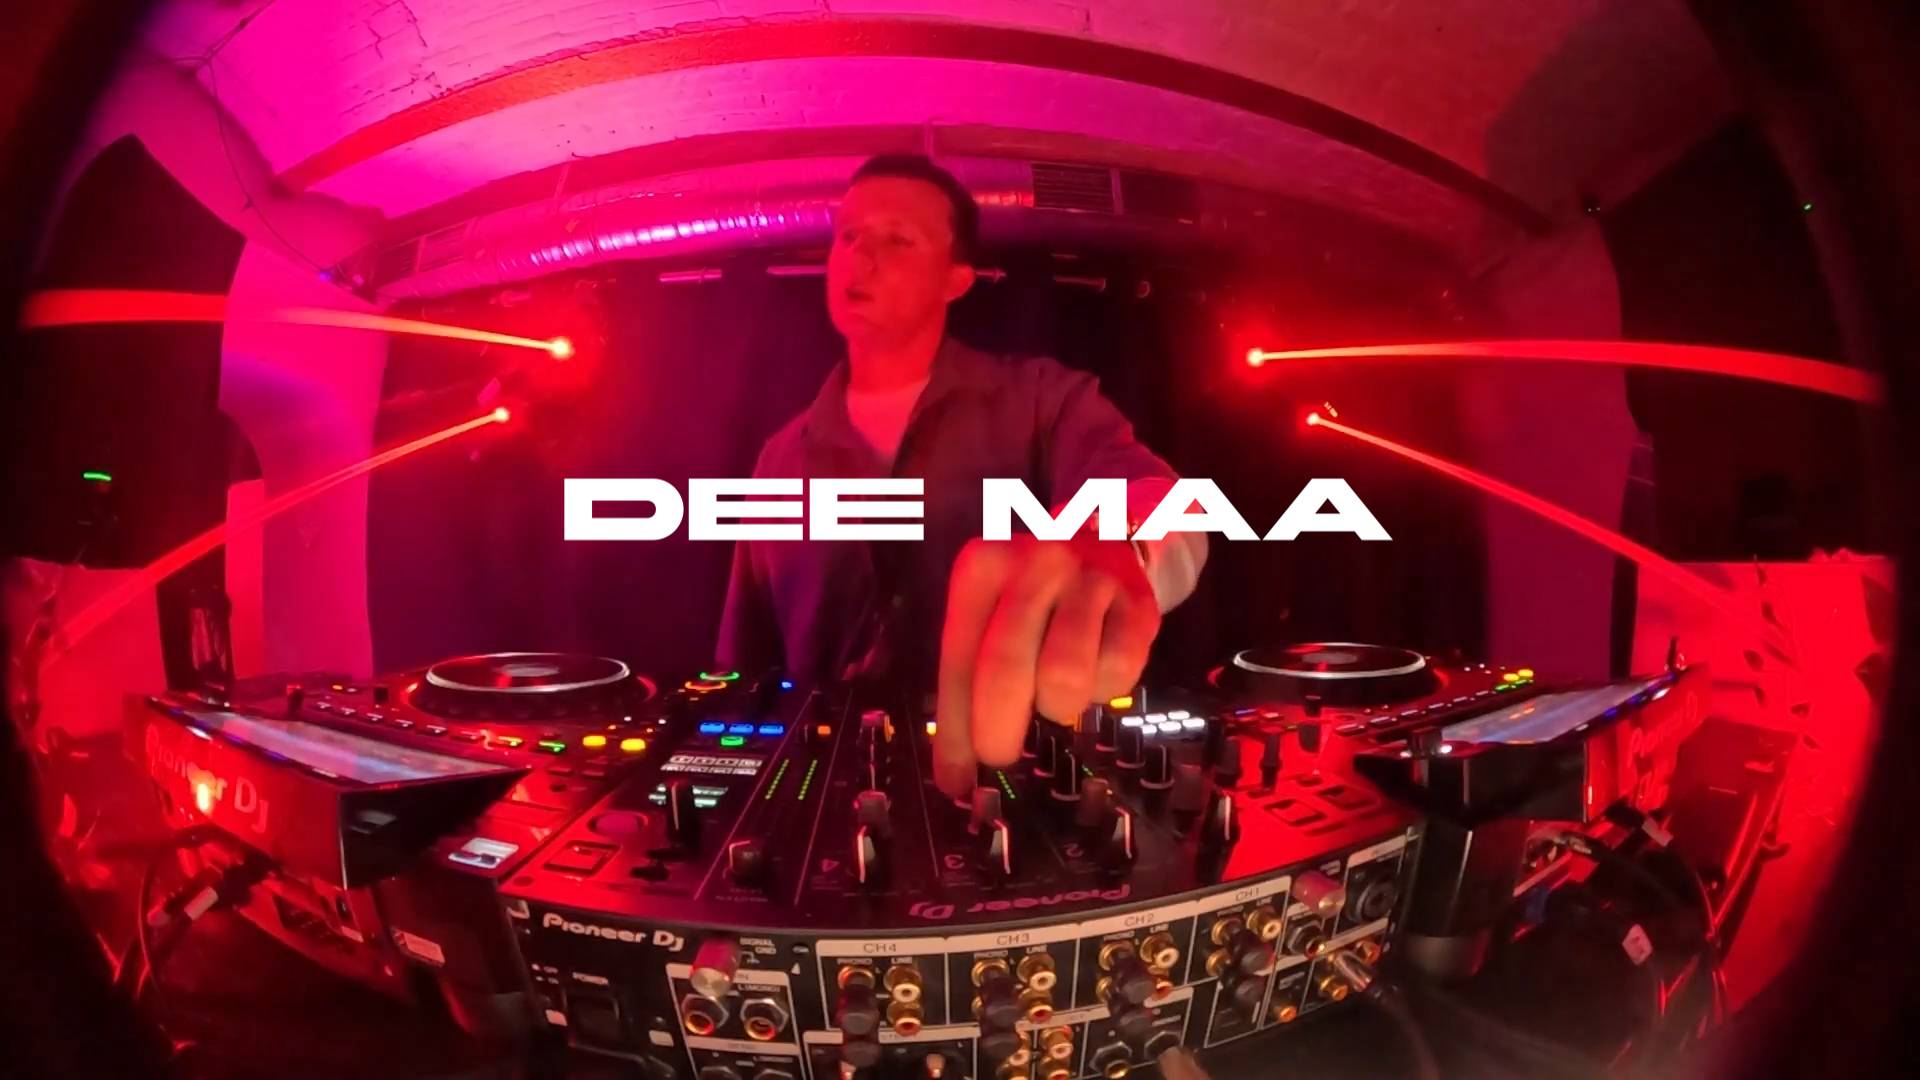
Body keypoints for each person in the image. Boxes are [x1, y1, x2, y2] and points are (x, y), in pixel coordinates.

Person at [716, 154, 1206, 798]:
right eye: (849, 235)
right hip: (823, 796)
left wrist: (1118, 545)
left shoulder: (1042, 399)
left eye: (897, 239)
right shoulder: (779, 457)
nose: (860, 257)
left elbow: (1171, 504)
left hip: (1015, 783)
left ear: (956, 280)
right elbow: (742, 666)